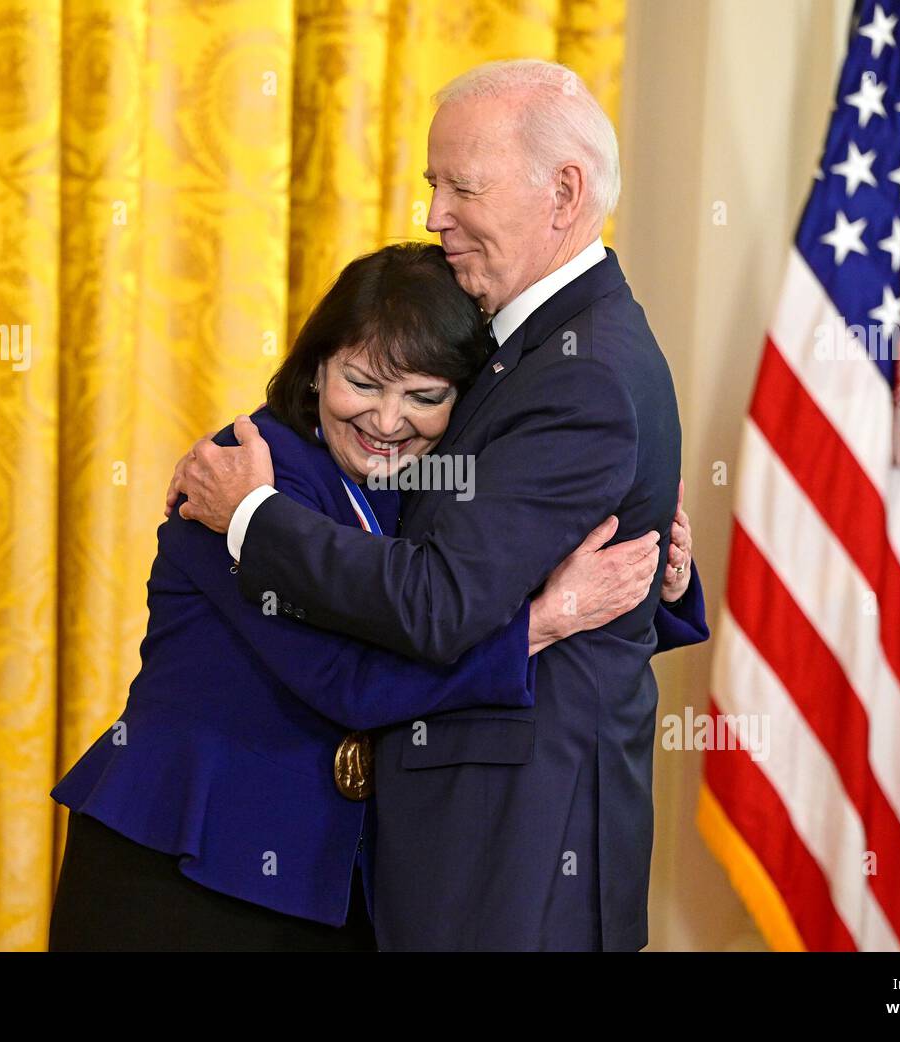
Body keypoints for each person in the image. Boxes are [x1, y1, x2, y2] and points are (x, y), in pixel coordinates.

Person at [166, 59, 707, 951]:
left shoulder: (578, 368)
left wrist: (251, 518)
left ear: (563, 193)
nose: (433, 215)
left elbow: (437, 596)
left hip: (515, 849)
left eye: (461, 186)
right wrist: (631, 588)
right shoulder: (530, 345)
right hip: (411, 853)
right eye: (432, 185)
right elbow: (462, 529)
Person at [47, 241, 668, 952]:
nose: (387, 420)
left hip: (337, 888)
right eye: (364, 383)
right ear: (316, 369)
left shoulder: (421, 487)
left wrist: (662, 569)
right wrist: (540, 624)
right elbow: (347, 682)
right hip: (182, 874)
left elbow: (485, 574)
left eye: (426, 396)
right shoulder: (238, 482)